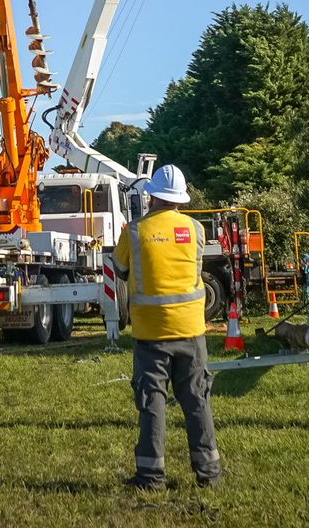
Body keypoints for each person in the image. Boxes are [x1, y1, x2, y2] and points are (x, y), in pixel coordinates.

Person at [111, 164, 221, 490]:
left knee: (152, 404)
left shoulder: (133, 231)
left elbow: (119, 269)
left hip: (151, 335)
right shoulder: (196, 230)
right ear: (180, 199)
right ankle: (209, 473)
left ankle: (150, 476)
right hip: (191, 330)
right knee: (197, 400)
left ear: (151, 197)